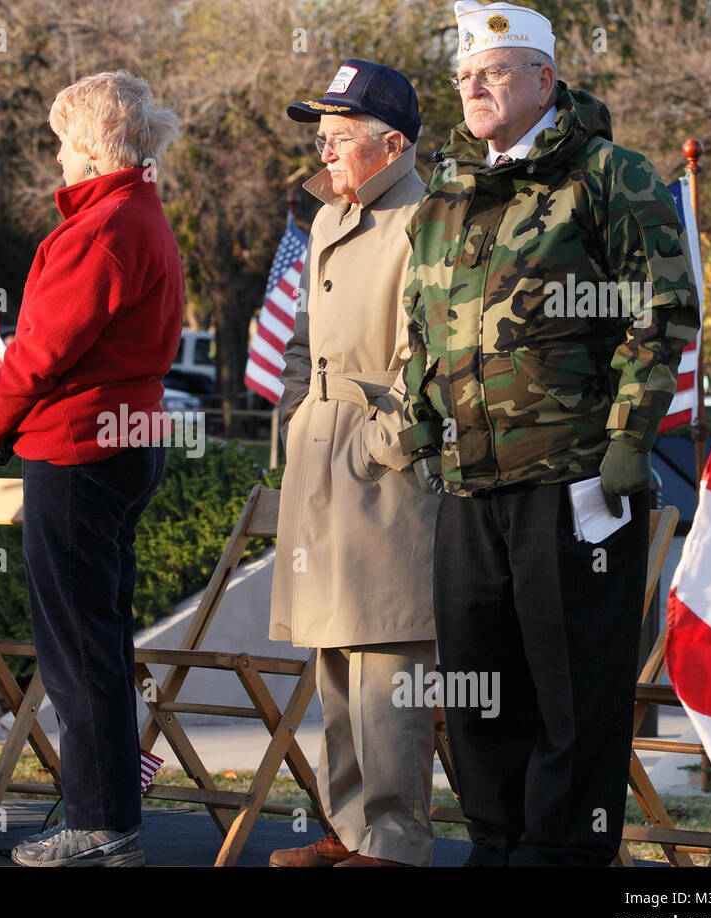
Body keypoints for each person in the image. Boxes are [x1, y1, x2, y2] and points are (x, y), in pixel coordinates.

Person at [400, 1, 700, 866]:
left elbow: (663, 311)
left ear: (544, 78)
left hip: (577, 482)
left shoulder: (611, 176)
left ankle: (562, 856)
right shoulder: (447, 196)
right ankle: (496, 847)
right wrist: (426, 428)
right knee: (481, 690)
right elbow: (424, 324)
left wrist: (630, 437)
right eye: (464, 75)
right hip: (471, 484)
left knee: (576, 694)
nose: (475, 86)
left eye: (494, 71)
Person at [0, 70, 183, 867]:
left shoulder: (103, 225)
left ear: (90, 147)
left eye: (65, 143)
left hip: (79, 446)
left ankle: (99, 821)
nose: (58, 159)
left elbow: (41, 351)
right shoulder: (144, 214)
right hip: (125, 439)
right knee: (98, 636)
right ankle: (107, 815)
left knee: (77, 646)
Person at [265, 61, 438, 868]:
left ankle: (396, 842)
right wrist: (300, 422)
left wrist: (382, 447)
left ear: (391, 142)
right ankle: (351, 829)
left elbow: (431, 357)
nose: (324, 153)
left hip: (382, 458)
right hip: (321, 449)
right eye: (323, 138)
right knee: (333, 651)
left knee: (389, 659)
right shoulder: (334, 215)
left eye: (338, 138)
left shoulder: (428, 217)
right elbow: (303, 344)